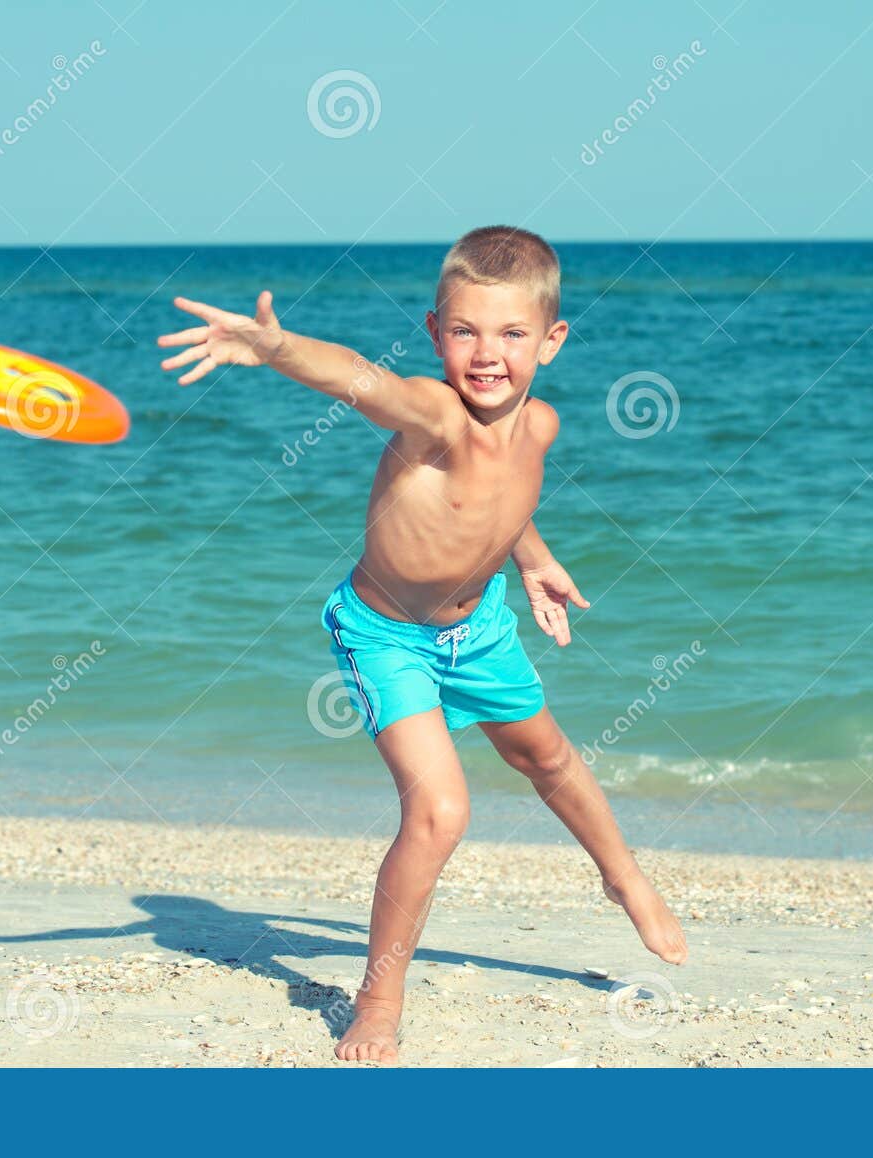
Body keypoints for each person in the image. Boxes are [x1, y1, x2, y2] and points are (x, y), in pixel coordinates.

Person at [158, 225, 687, 1063]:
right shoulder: (435, 414)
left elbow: (502, 497)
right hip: (385, 637)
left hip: (478, 629)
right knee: (441, 813)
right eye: (466, 330)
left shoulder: (539, 425)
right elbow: (363, 383)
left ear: (551, 341)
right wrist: (279, 347)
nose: (487, 354)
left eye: (512, 334)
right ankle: (379, 994)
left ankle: (623, 876)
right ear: (436, 331)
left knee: (549, 760)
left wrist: (537, 557)